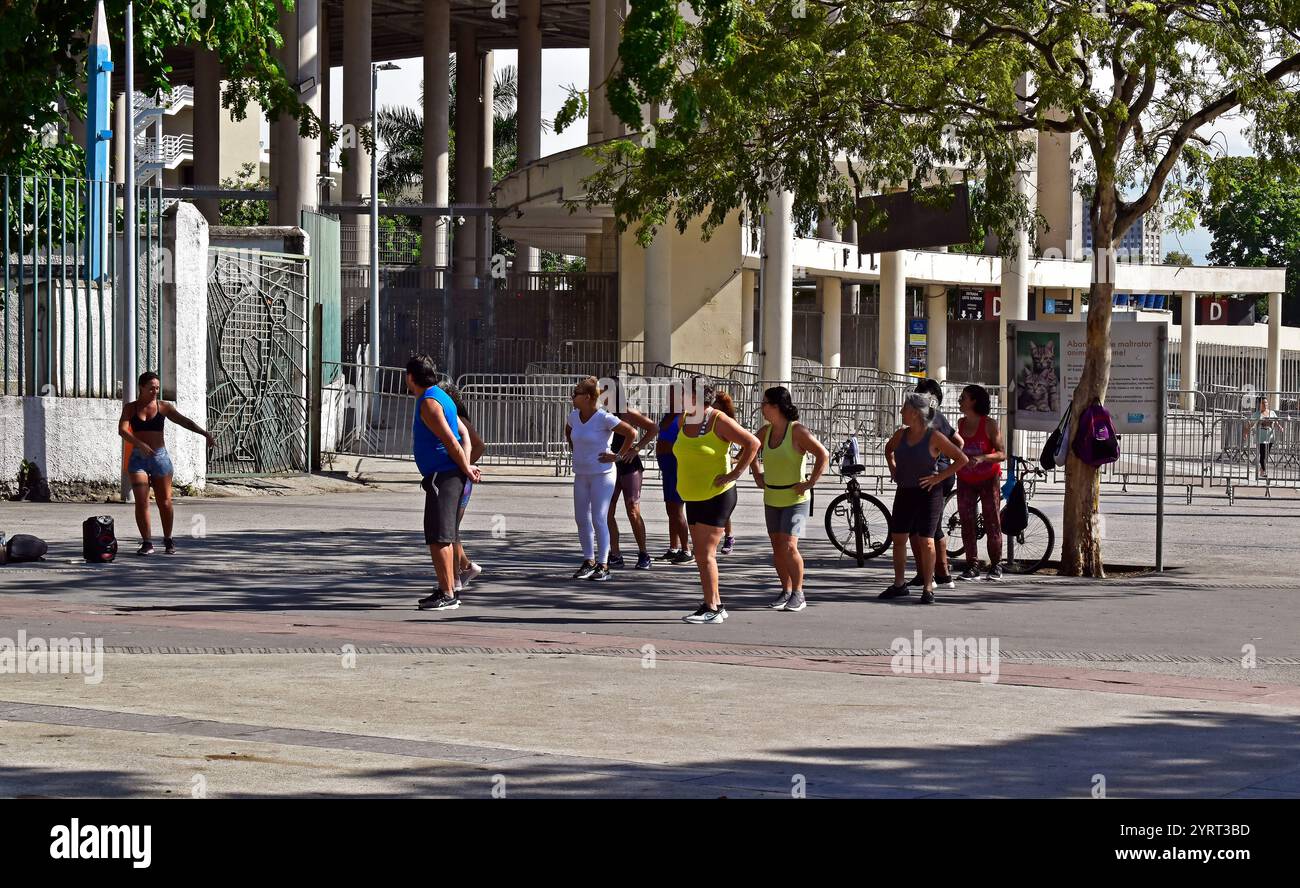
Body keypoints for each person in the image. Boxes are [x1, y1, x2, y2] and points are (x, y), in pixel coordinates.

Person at [674, 380, 760, 623]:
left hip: (717, 496)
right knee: (702, 555)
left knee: (705, 554)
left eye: (684, 393)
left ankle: (712, 609)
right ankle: (715, 604)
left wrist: (734, 473)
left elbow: (752, 443)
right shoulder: (683, 418)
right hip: (693, 496)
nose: (679, 396)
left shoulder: (718, 420)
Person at [407, 354, 481, 611]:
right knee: (445, 536)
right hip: (446, 474)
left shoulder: (429, 402)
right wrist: (467, 464)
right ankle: (448, 590)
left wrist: (465, 468)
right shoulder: (442, 396)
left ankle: (447, 594)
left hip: (443, 475)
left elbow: (451, 440)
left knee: (439, 537)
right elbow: (463, 434)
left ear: (410, 377)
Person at [880, 393, 969, 604]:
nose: (900, 412)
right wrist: (893, 468)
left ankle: (928, 587)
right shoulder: (901, 435)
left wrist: (939, 477)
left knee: (926, 540)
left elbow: (961, 458)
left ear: (913, 413)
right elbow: (888, 449)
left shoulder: (934, 436)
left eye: (903, 409)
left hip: (929, 493)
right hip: (905, 491)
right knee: (899, 538)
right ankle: (899, 584)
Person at [117, 370, 214, 556]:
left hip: (160, 458)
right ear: (141, 388)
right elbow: (122, 430)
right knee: (142, 502)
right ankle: (147, 542)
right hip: (138, 459)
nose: (155, 392)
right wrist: (139, 444)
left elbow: (184, 422)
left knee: (165, 501)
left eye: (157, 388)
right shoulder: (131, 408)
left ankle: (168, 539)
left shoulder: (163, 407)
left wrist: (205, 433)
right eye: (151, 388)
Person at [750, 386, 828, 612]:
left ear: (776, 406)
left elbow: (823, 454)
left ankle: (799, 593)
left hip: (797, 500)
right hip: (772, 496)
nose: (762, 408)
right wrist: (757, 473)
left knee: (789, 546)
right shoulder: (765, 431)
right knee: (777, 548)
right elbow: (749, 448)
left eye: (765, 404)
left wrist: (810, 482)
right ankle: (786, 590)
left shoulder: (797, 431)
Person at [566, 376, 638, 581]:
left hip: (603, 474)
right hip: (581, 473)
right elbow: (569, 432)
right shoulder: (573, 416)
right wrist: (576, 451)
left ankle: (603, 564)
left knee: (599, 517)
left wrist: (618, 456)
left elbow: (631, 433)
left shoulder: (604, 417)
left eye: (577, 393)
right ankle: (588, 561)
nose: (573, 396)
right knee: (581, 518)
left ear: (588, 397)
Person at [910, 378, 962, 589]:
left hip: (932, 477)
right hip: (940, 475)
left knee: (920, 528)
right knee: (933, 526)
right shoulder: (938, 417)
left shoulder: (928, 418)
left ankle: (927, 574)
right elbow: (958, 441)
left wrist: (939, 457)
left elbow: (959, 444)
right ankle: (941, 574)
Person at [604, 379, 659, 570]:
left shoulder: (628, 412)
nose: (602, 396)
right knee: (607, 511)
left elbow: (653, 428)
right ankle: (615, 553)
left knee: (632, 509)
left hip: (629, 465)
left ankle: (644, 553)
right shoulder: (602, 414)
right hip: (610, 467)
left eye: (606, 392)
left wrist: (636, 449)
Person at [438, 381, 487, 591]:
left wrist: (464, 464)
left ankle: (459, 574)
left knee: (450, 530)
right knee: (452, 529)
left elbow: (479, 445)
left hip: (461, 480)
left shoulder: (460, 420)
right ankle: (465, 568)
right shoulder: (450, 418)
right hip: (457, 476)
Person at [955, 384, 1006, 582]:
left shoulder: (989, 424)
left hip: (988, 479)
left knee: (992, 519)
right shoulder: (960, 423)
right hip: (965, 479)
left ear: (974, 401)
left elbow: (1002, 453)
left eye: (963, 397)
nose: (960, 401)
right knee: (966, 521)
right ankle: (972, 565)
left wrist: (983, 457)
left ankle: (996, 565)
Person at [655, 387, 692, 563]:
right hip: (667, 468)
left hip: (678, 468)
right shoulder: (668, 415)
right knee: (670, 509)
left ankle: (686, 550)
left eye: (674, 394)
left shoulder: (685, 417)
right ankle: (673, 547)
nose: (669, 397)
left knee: (677, 510)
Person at [712, 390, 740, 554]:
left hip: (724, 470)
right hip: (708, 469)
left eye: (714, 403)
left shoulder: (727, 422)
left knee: (723, 508)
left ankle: (728, 536)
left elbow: (749, 443)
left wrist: (735, 460)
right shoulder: (705, 420)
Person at [1245, 396, 1280, 478]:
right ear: (1259, 404)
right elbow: (1250, 424)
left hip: (1270, 437)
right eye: (1263, 403)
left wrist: (1280, 427)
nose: (1265, 404)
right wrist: (1246, 432)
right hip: (1260, 438)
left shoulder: (1271, 412)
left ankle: (1262, 469)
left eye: (1266, 402)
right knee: (1263, 454)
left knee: (1266, 454)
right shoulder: (1257, 414)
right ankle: (1264, 471)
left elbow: (1276, 421)